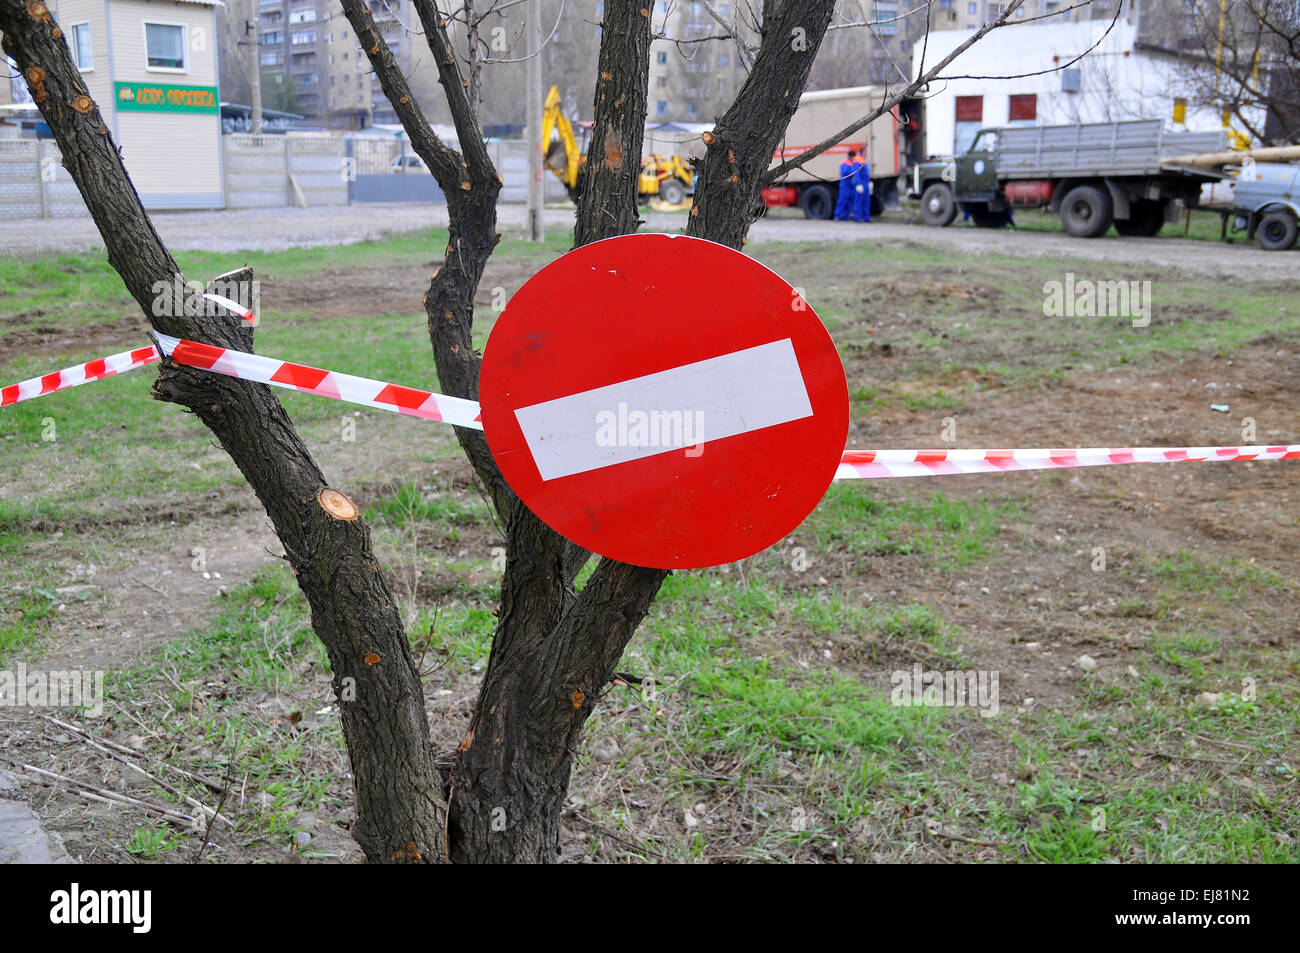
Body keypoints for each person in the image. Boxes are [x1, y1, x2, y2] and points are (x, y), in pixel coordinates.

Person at [835, 150, 859, 221]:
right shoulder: (845, 163)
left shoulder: (852, 163)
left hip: (850, 185)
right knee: (842, 201)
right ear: (851, 156)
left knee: (849, 202)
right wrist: (853, 172)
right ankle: (837, 216)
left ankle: (845, 217)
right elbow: (845, 173)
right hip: (845, 185)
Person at [852, 152, 871, 223]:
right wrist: (858, 184)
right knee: (859, 201)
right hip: (861, 183)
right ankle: (857, 217)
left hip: (866, 183)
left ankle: (866, 218)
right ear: (863, 151)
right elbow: (856, 173)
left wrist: (869, 182)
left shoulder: (864, 159)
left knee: (866, 201)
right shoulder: (857, 160)